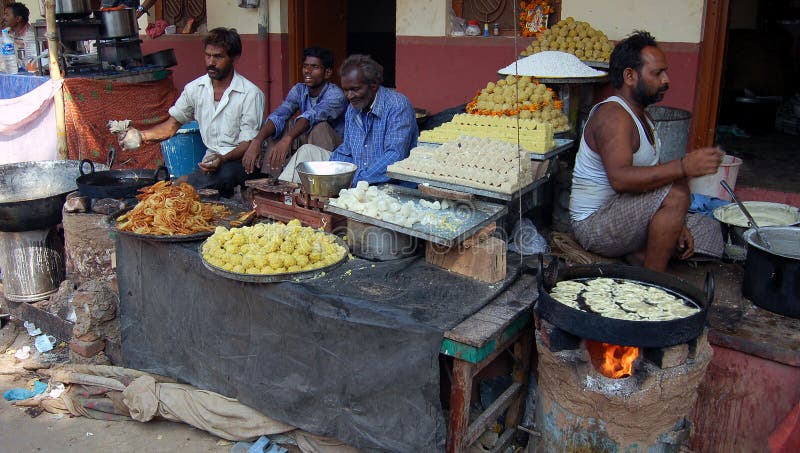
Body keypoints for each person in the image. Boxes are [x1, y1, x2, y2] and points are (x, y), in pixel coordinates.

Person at [569, 30, 724, 272]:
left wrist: (678, 222)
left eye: (665, 71)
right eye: (657, 73)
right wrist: (683, 166)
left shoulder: (643, 115)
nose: (666, 80)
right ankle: (652, 283)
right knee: (676, 191)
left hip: (630, 214)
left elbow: (655, 177)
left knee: (710, 231)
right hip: (596, 225)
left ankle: (640, 255)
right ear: (629, 76)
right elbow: (620, 179)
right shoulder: (613, 116)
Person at [117, 28, 264, 197]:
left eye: (218, 56)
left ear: (234, 59)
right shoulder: (195, 89)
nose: (211, 62)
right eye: (207, 55)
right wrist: (141, 136)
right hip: (210, 163)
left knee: (216, 176)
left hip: (241, 162)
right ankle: (188, 182)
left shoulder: (251, 94)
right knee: (198, 185)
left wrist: (222, 159)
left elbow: (248, 143)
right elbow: (172, 125)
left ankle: (186, 182)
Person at [278, 54, 418, 185]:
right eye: (346, 90)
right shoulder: (353, 108)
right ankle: (283, 201)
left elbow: (395, 157)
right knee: (306, 152)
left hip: (388, 183)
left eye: (355, 89)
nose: (350, 96)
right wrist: (330, 174)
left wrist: (352, 180)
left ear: (373, 85)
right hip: (357, 174)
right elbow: (346, 151)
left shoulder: (398, 105)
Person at [242, 46, 346, 177]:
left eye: (315, 67)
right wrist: (257, 141)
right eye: (305, 66)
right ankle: (271, 180)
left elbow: (311, 116)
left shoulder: (336, 95)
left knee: (320, 127)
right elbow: (279, 114)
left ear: (327, 73)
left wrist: (287, 139)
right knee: (283, 124)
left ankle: (318, 181)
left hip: (332, 151)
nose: (307, 71)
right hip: (307, 141)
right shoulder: (299, 89)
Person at [3, 3, 36, 70]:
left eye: (7, 15)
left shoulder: (32, 35)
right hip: (9, 70)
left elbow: (34, 60)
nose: (4, 17)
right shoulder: (5, 33)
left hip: (29, 70)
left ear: (18, 19)